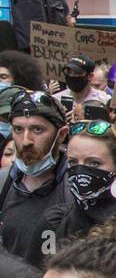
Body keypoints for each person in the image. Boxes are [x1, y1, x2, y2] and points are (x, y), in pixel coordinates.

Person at [0, 91, 71, 266]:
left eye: (37, 129)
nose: (26, 141)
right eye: (18, 129)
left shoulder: (73, 191)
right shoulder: (3, 182)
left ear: (61, 135)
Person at [44, 120, 116, 248]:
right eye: (73, 163)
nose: (80, 170)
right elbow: (38, 265)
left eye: (94, 163)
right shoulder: (54, 222)